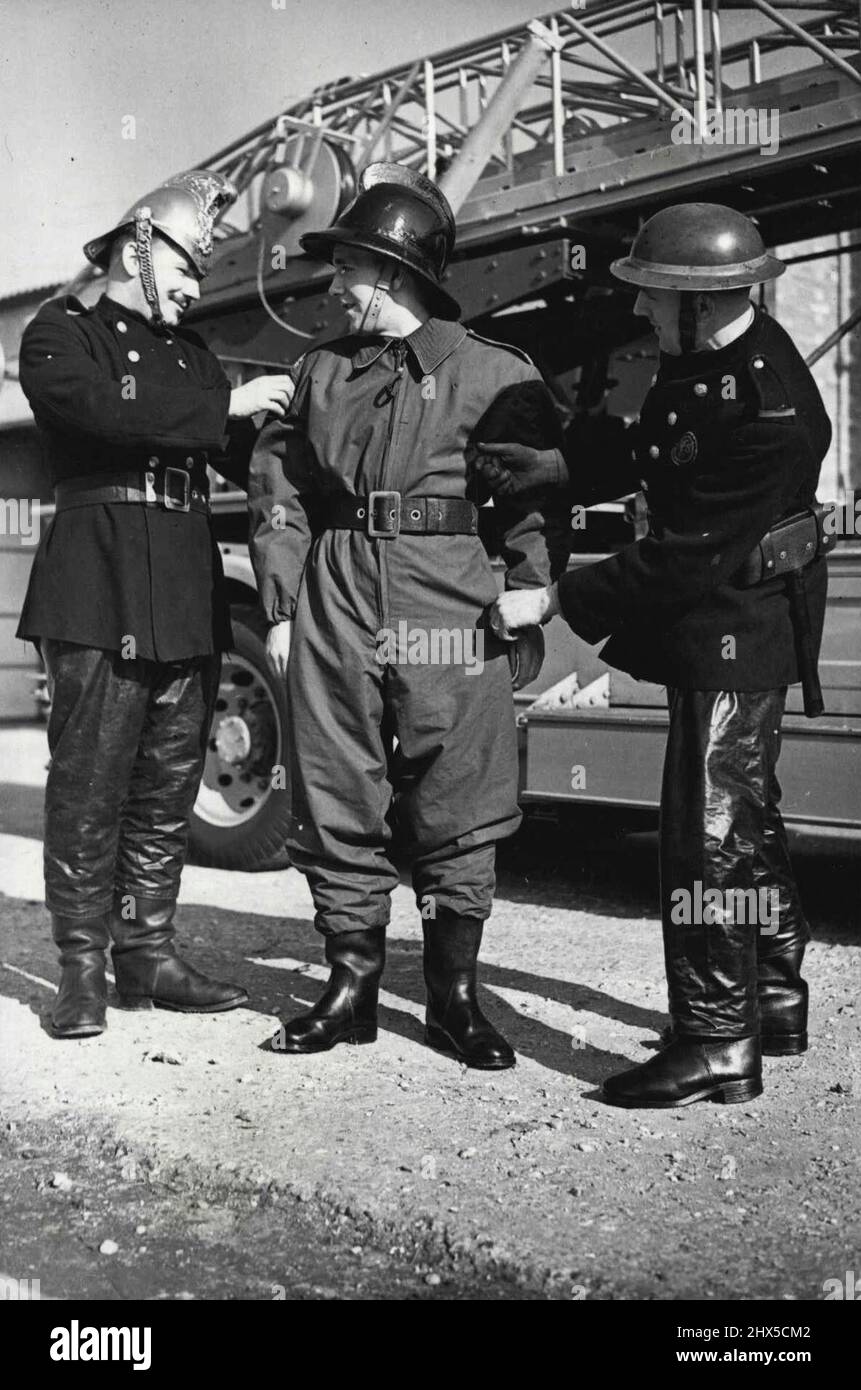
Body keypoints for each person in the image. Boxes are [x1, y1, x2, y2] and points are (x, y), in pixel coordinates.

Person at [484, 203, 831, 1107]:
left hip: (734, 622)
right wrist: (561, 470)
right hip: (724, 613)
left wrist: (551, 597)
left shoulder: (770, 409)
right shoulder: (710, 360)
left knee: (705, 832)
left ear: (697, 301)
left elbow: (682, 551)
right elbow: (661, 450)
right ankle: (775, 992)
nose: (636, 313)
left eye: (650, 296)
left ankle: (717, 1039)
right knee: (744, 813)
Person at [249, 162, 561, 1069]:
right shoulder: (317, 373)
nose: (331, 283)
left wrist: (528, 587)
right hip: (336, 591)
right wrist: (283, 602)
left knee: (455, 794)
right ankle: (348, 990)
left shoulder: (493, 373)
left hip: (449, 594)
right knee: (338, 785)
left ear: (388, 273)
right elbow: (281, 492)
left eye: (344, 266)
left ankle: (452, 998)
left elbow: (534, 498)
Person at [18, 170, 295, 1039]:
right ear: (140, 245)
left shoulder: (188, 353)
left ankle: (147, 953)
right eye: (186, 266)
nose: (193, 286)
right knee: (88, 781)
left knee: (168, 780)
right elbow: (100, 411)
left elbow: (257, 458)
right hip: (96, 581)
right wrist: (225, 402)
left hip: (180, 580)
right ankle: (80, 970)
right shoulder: (60, 334)